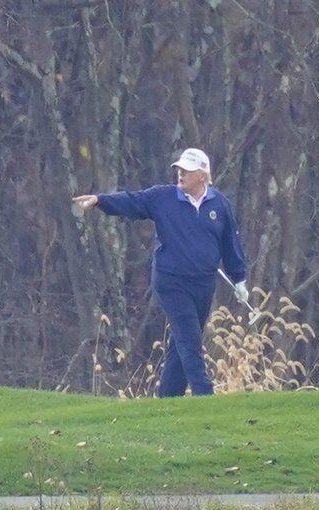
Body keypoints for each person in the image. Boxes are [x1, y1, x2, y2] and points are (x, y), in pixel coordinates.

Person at [72, 148, 248, 397]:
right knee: (190, 339)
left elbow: (230, 243)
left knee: (182, 343)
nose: (180, 174)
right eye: (179, 169)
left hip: (204, 283)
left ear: (202, 175)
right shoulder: (163, 198)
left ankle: (167, 398)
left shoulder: (219, 204)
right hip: (171, 281)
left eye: (186, 171)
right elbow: (132, 201)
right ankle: (204, 394)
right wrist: (100, 201)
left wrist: (239, 278)